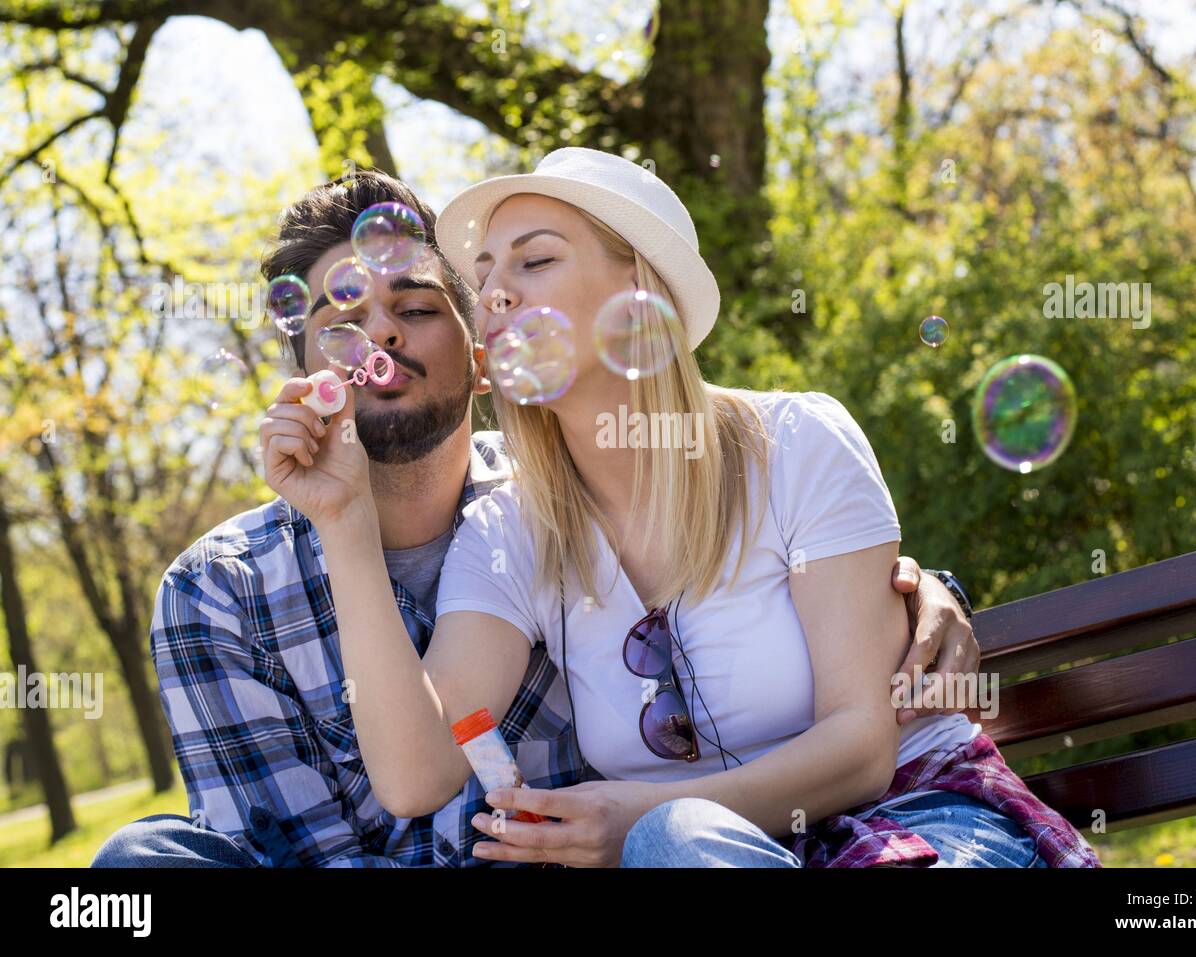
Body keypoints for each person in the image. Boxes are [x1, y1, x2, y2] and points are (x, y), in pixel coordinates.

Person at [90, 168, 978, 868]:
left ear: (479, 361)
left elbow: (761, 569)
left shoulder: (535, 505)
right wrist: (344, 522)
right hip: (679, 850)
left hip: (750, 840)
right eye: (343, 319)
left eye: (417, 307)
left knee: (676, 842)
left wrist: (927, 589)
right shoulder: (224, 588)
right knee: (136, 861)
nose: (382, 336)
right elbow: (360, 808)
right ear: (303, 369)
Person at [293, 148, 1101, 867]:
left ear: (641, 290)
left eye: (534, 261)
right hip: (708, 855)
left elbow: (861, 749)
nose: (495, 294)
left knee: (671, 835)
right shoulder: (509, 532)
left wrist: (643, 817)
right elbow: (414, 773)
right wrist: (344, 522)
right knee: (676, 840)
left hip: (911, 822)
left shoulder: (796, 443)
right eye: (487, 272)